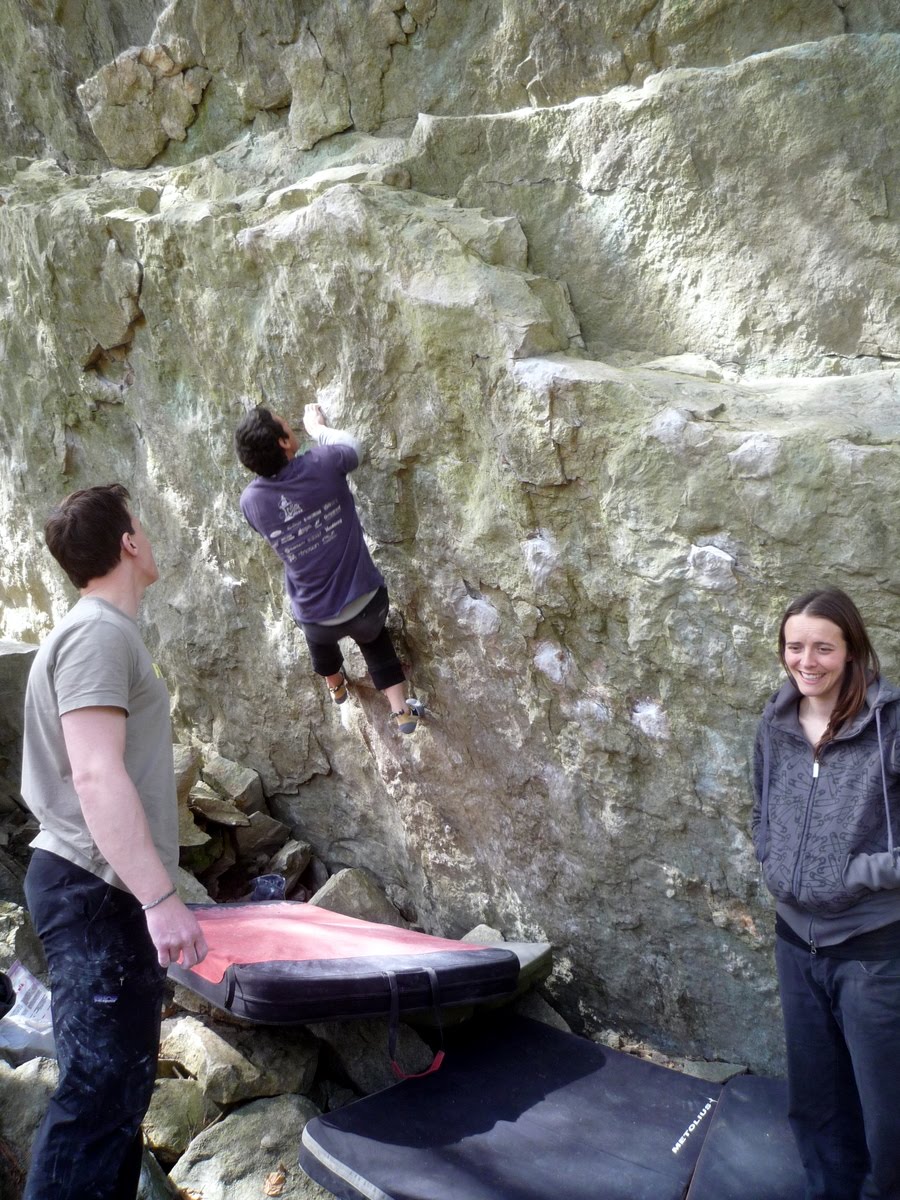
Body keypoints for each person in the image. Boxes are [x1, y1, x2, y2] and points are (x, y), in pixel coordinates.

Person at [20, 484, 208, 1200]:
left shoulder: (104, 633)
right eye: (143, 527)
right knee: (98, 1099)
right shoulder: (97, 634)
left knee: (119, 1097)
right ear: (128, 542)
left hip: (98, 887)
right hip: (93, 886)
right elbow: (96, 775)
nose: (149, 537)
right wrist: (160, 899)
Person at [752, 587, 900, 1200]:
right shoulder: (775, 720)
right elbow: (760, 803)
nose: (806, 661)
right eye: (795, 647)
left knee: (888, 1109)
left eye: (823, 648)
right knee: (816, 1102)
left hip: (873, 950)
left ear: (852, 649)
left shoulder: (890, 724)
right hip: (794, 942)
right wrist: (769, 855)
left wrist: (858, 875)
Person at [234, 402, 422, 734]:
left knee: (316, 636)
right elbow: (353, 447)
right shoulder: (322, 463)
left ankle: (335, 684)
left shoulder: (251, 502)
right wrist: (317, 429)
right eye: (287, 425)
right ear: (284, 442)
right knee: (375, 640)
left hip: (317, 619)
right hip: (367, 604)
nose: (292, 426)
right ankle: (401, 711)